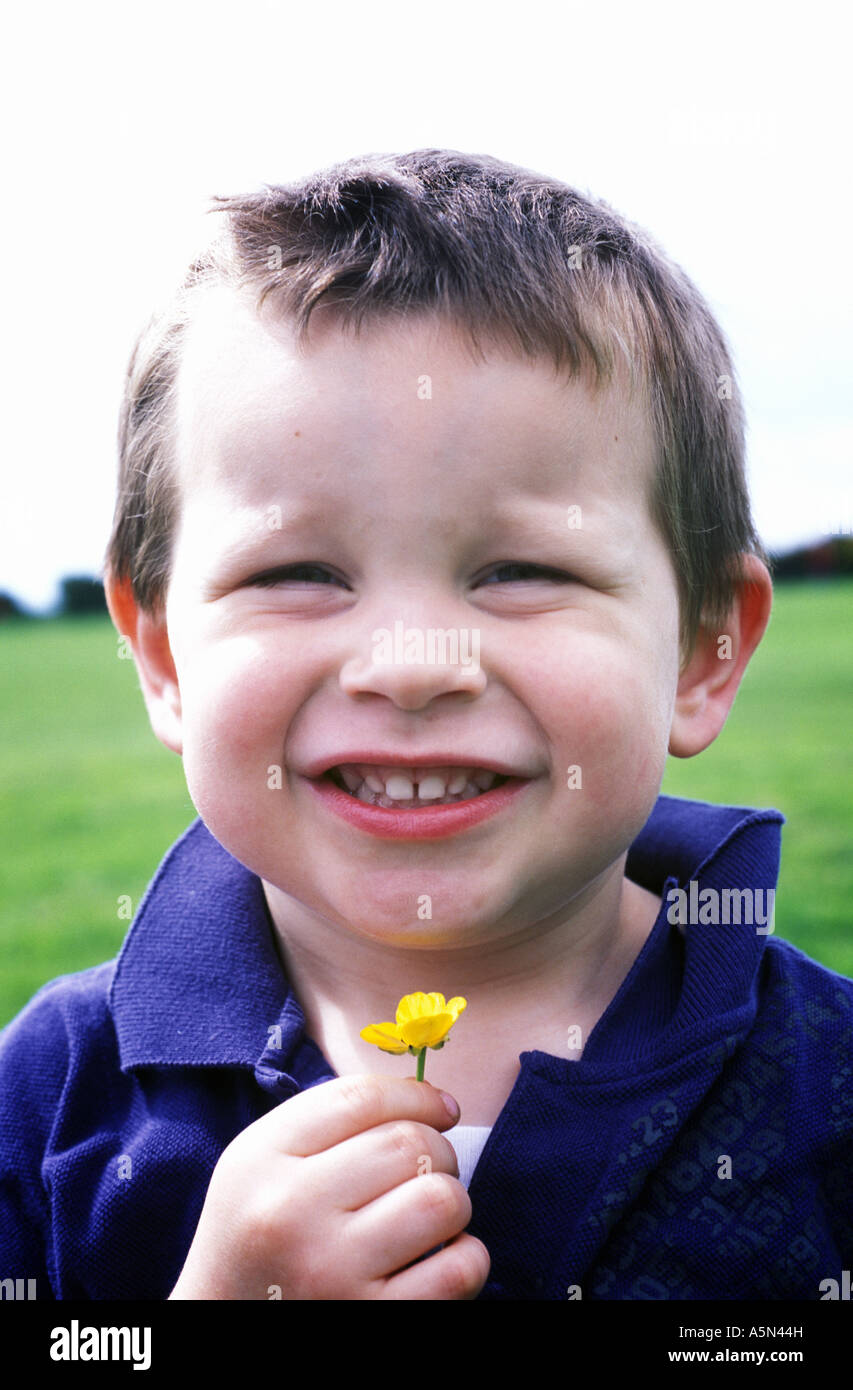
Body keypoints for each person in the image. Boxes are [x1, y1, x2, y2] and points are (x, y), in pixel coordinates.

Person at [1, 149, 850, 1301]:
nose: (410, 666)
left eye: (518, 568)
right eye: (298, 571)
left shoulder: (828, 1087)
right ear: (160, 655)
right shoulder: (48, 1098)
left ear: (705, 649)